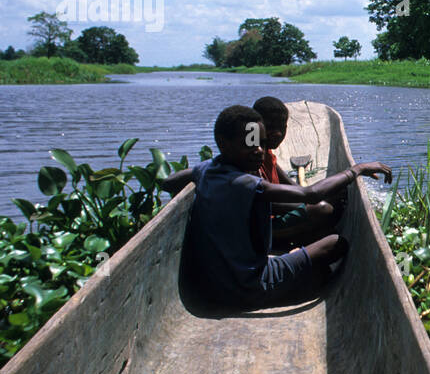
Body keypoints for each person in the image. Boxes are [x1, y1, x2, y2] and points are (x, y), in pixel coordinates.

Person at [161, 105, 392, 308]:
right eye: (250, 143)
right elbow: (310, 194)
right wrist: (356, 170)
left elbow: (168, 181)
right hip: (248, 288)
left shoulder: (205, 169)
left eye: (261, 143)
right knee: (336, 244)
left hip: (214, 286)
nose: (259, 150)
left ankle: (290, 260)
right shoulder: (245, 184)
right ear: (224, 143)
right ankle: (297, 275)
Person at [249, 96, 340, 250]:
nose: (277, 133)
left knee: (336, 194)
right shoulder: (251, 158)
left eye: (282, 127)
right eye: (271, 127)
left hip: (273, 217)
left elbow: (290, 184)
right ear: (257, 126)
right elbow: (265, 205)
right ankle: (286, 242)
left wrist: (313, 194)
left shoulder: (266, 152)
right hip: (261, 226)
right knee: (323, 209)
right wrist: (307, 202)